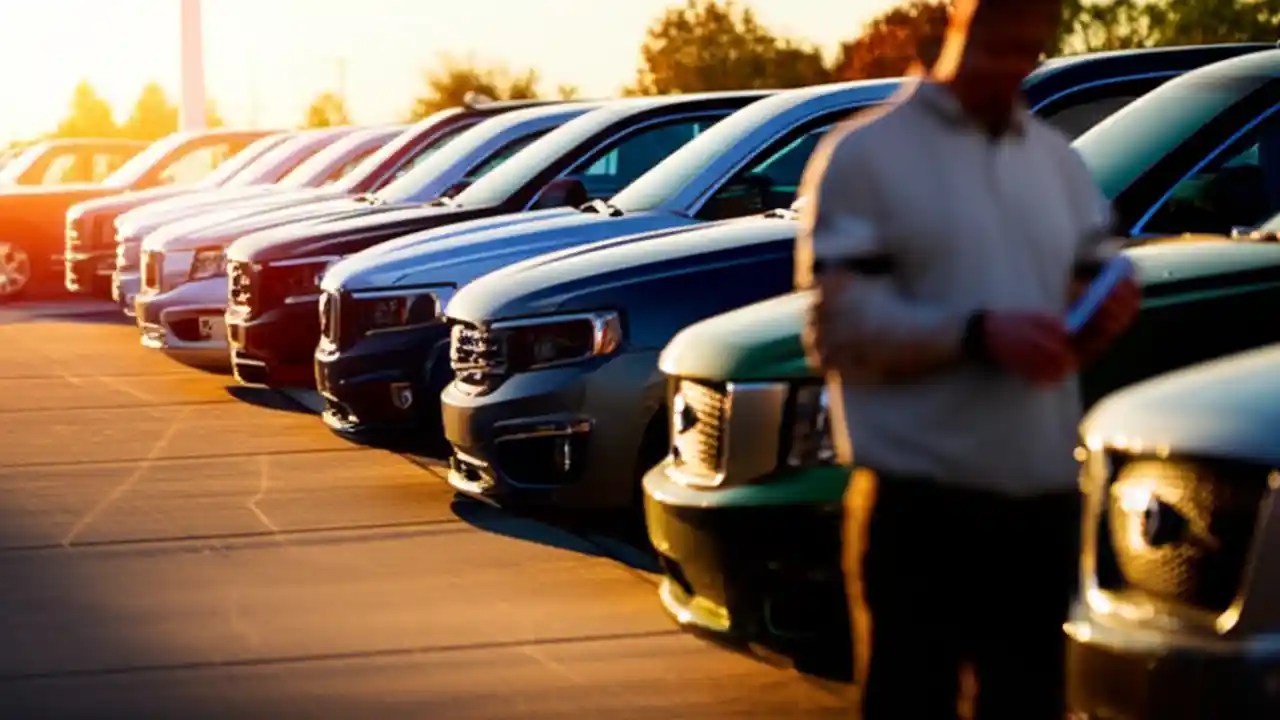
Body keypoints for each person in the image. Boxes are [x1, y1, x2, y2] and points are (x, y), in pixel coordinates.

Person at [794, 0, 1141, 717]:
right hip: (924, 509)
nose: (1015, 64)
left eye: (1030, 45)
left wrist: (1101, 314)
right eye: (1000, 44)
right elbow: (840, 327)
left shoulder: (1054, 161)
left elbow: (1092, 276)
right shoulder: (866, 155)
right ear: (961, 22)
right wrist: (977, 334)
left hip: (1041, 506)